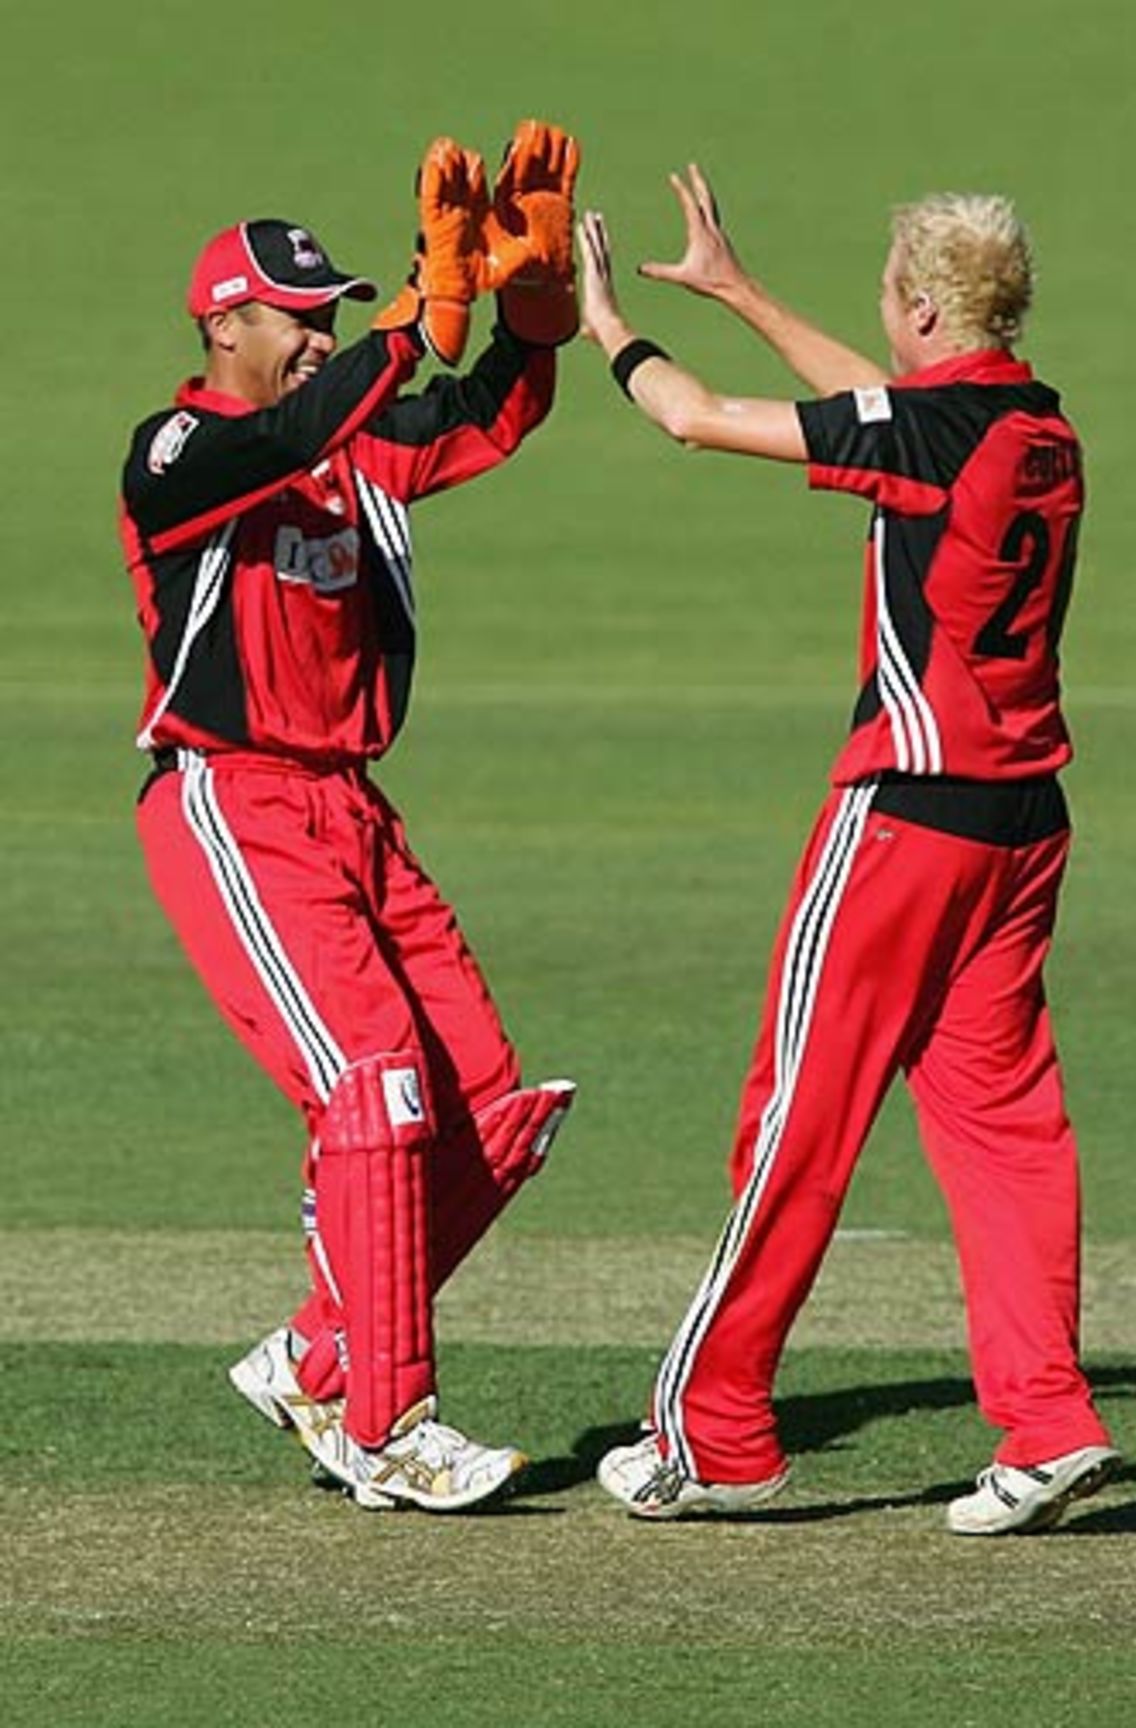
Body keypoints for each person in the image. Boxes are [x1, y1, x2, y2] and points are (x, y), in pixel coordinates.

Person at [577, 169, 1119, 1534]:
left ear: (925, 305)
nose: (881, 310)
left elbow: (696, 420)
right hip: (1023, 828)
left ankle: (719, 1432)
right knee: (1006, 1131)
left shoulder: (935, 433)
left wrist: (599, 327)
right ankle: (1048, 1422)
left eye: (890, 294)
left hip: (907, 820)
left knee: (796, 1120)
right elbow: (885, 413)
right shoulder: (1032, 423)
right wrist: (742, 292)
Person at [119, 122, 580, 1513]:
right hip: (231, 802)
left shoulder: (352, 449)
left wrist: (529, 309)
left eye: (334, 317)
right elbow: (293, 431)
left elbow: (492, 416)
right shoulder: (182, 450)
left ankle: (318, 1351)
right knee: (373, 1083)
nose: (322, 339)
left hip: (352, 810)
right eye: (301, 320)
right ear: (226, 324)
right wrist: (414, 318)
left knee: (489, 1104)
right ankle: (387, 1423)